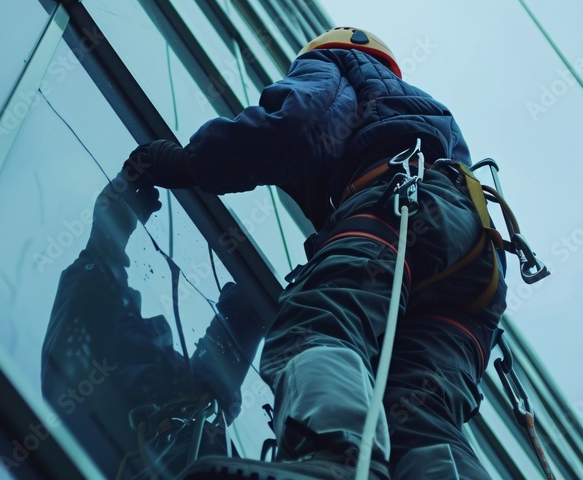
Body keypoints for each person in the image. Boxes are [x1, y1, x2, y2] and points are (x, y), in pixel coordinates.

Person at [124, 27, 507, 480]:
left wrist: (189, 162)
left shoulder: (340, 64)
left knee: (320, 325)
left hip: (404, 204)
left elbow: (299, 124)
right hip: (477, 264)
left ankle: (331, 459)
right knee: (420, 410)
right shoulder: (428, 117)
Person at [41, 176, 262, 478]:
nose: (157, 325)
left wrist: (247, 311)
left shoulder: (186, 411)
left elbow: (210, 381)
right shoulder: (82, 399)